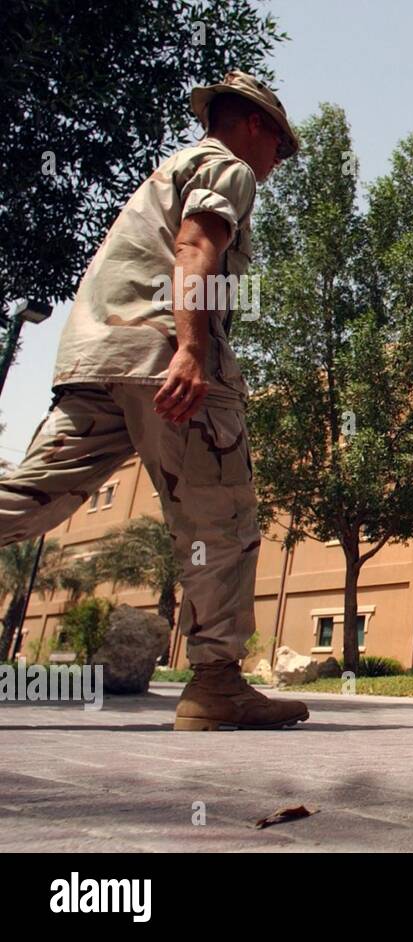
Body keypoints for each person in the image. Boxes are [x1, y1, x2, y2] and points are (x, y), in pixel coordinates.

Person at [0, 72, 309, 731]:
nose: (276, 167)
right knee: (221, 520)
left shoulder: (168, 171)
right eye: (280, 150)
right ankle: (217, 684)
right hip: (163, 355)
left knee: (31, 499)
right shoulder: (227, 168)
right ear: (256, 126)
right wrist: (191, 353)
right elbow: (195, 248)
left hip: (96, 360)